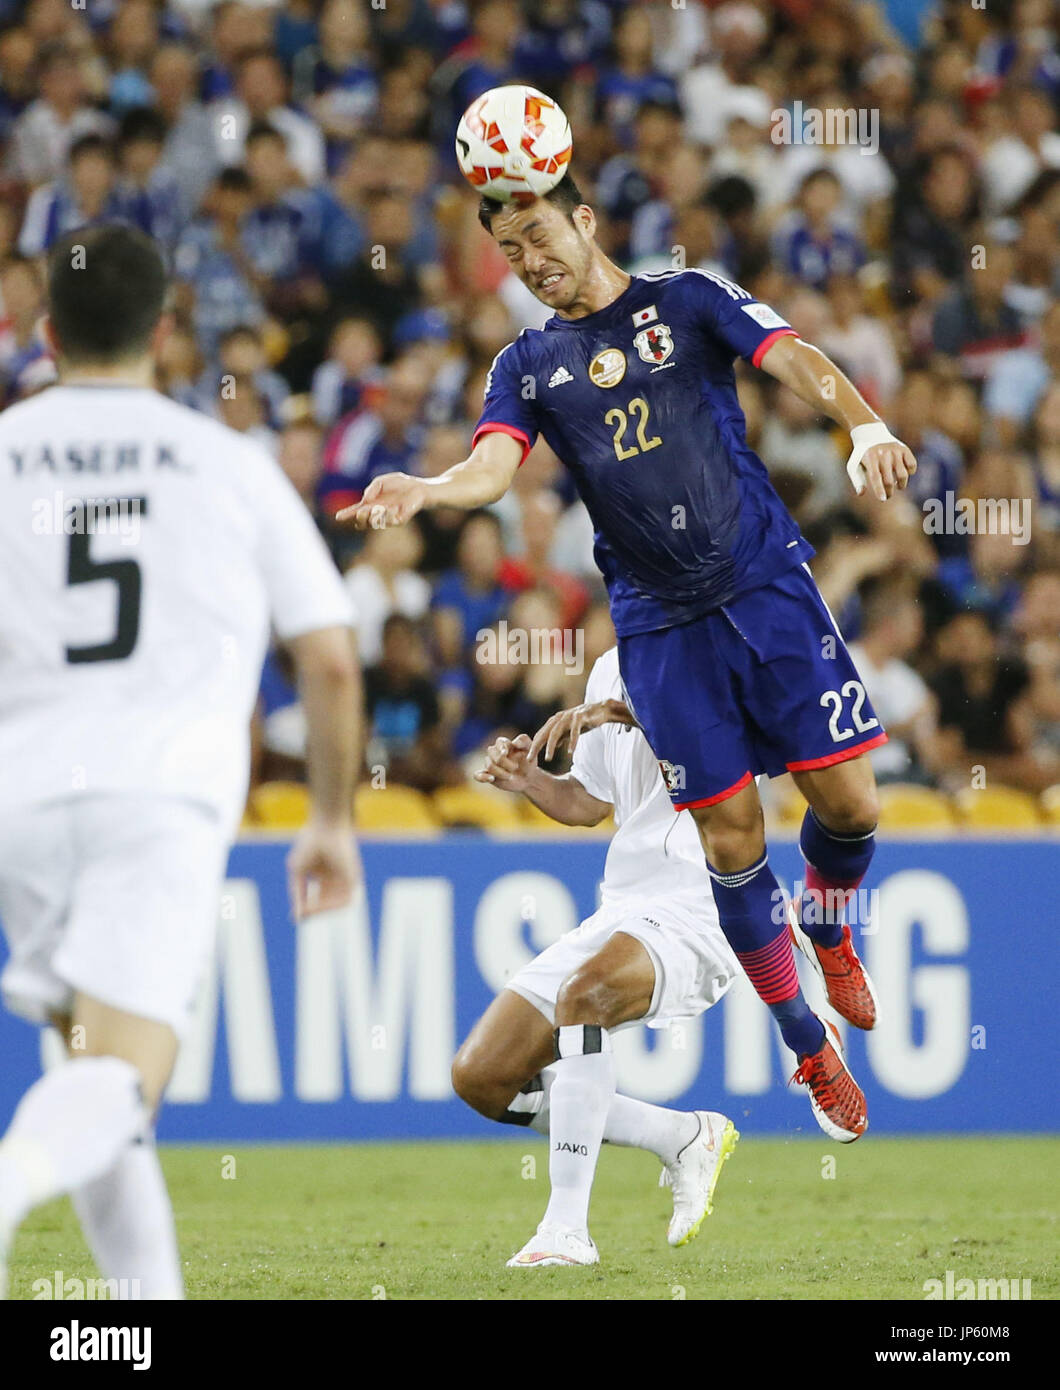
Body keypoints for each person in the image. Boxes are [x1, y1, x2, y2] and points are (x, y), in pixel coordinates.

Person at [341, 170, 922, 1144]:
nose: (530, 265)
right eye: (511, 255)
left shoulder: (686, 299)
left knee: (853, 806)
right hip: (659, 628)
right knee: (733, 845)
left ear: (584, 219)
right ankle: (804, 1044)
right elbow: (492, 468)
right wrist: (433, 487)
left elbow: (792, 356)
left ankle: (827, 925)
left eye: (538, 237)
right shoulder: (526, 365)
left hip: (764, 585)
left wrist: (861, 421)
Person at [0, 224, 361, 1299]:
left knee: (94, 1076)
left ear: (45, 332)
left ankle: (140, 1322)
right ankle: (13, 1176)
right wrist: (333, 819)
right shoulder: (224, 462)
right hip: (155, 795)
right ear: (166, 331)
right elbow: (332, 662)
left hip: (21, 795)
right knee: (120, 1076)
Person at [453, 648, 739, 1268]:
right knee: (482, 1076)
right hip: (624, 904)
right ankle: (682, 1136)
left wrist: (617, 713)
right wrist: (530, 778)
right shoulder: (609, 665)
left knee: (584, 997)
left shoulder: (718, 642)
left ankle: (565, 1230)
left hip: (704, 899)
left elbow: (724, 745)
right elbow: (590, 802)